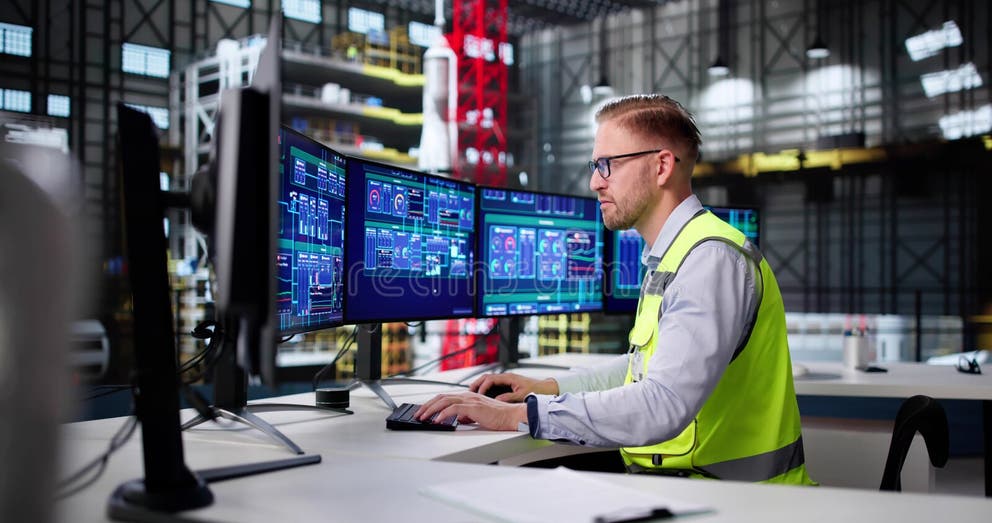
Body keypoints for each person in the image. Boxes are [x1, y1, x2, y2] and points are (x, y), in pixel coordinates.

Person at [416, 94, 815, 484]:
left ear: (661, 166)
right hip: (686, 486)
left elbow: (663, 403)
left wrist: (518, 414)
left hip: (739, 504)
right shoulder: (676, 254)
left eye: (607, 165)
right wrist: (547, 387)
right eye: (595, 165)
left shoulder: (710, 260)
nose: (594, 181)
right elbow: (642, 370)